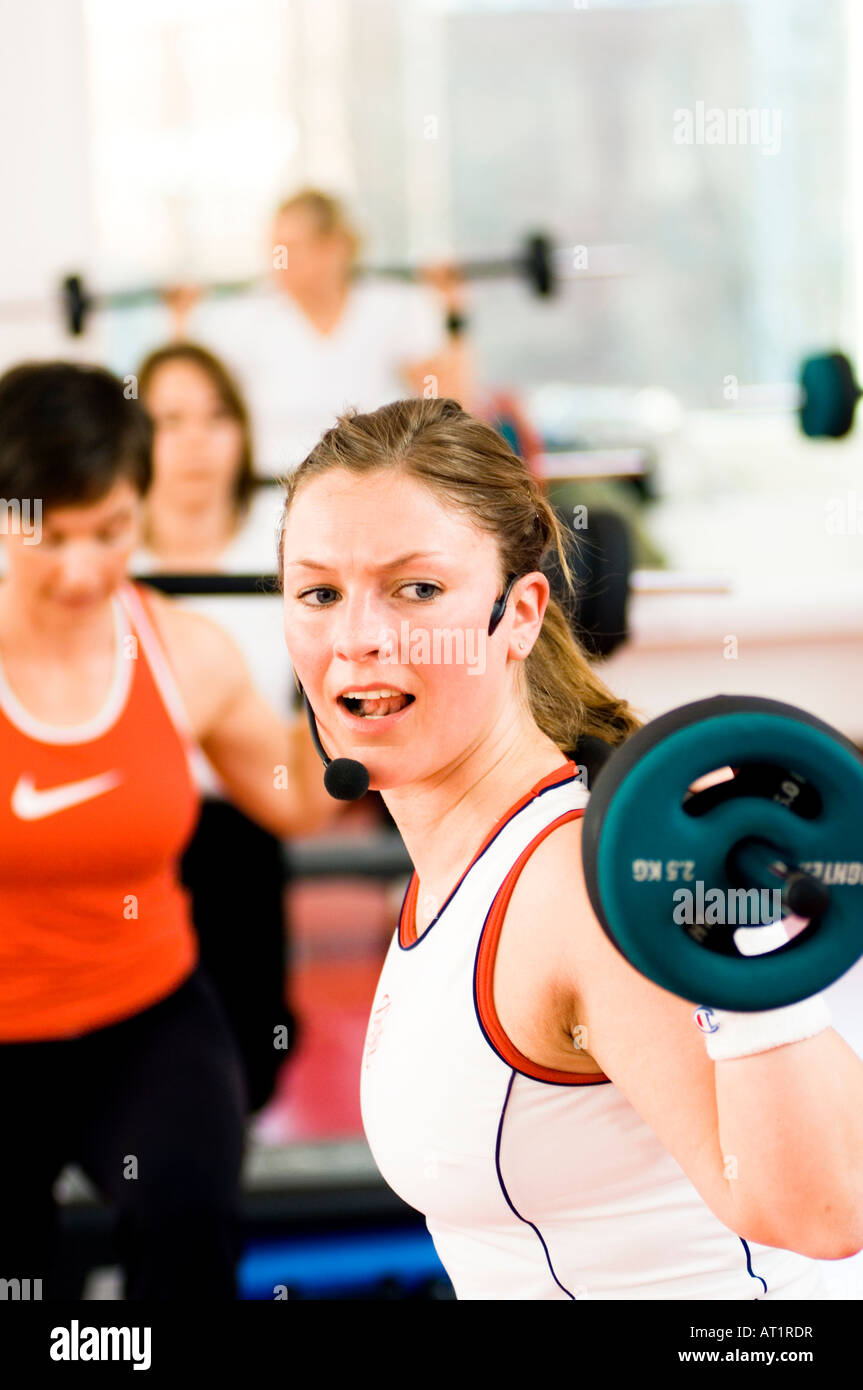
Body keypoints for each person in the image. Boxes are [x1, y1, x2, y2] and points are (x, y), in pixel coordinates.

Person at [278, 394, 863, 1300]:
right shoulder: (464, 866)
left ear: (517, 614)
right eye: (319, 593)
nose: (357, 638)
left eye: (416, 589)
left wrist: (743, 943)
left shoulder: (571, 890)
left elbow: (824, 1213)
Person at [0, 360, 335, 1300]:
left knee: (189, 1231)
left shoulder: (187, 652)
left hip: (144, 1018)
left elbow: (297, 798)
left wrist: (349, 650)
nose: (79, 571)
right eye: (47, 538)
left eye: (109, 532)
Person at [132, 342, 302, 1113]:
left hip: (242, 822)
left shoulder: (287, 546)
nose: (196, 442)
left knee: (247, 1060)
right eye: (169, 421)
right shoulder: (103, 552)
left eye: (215, 417)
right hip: (126, 831)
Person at [169, 187, 477, 475]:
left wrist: (453, 310)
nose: (279, 263)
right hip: (274, 492)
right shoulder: (247, 315)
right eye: (275, 249)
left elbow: (452, 404)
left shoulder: (389, 305)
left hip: (375, 485)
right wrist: (181, 323)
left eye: (292, 248)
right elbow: (189, 394)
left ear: (335, 246)